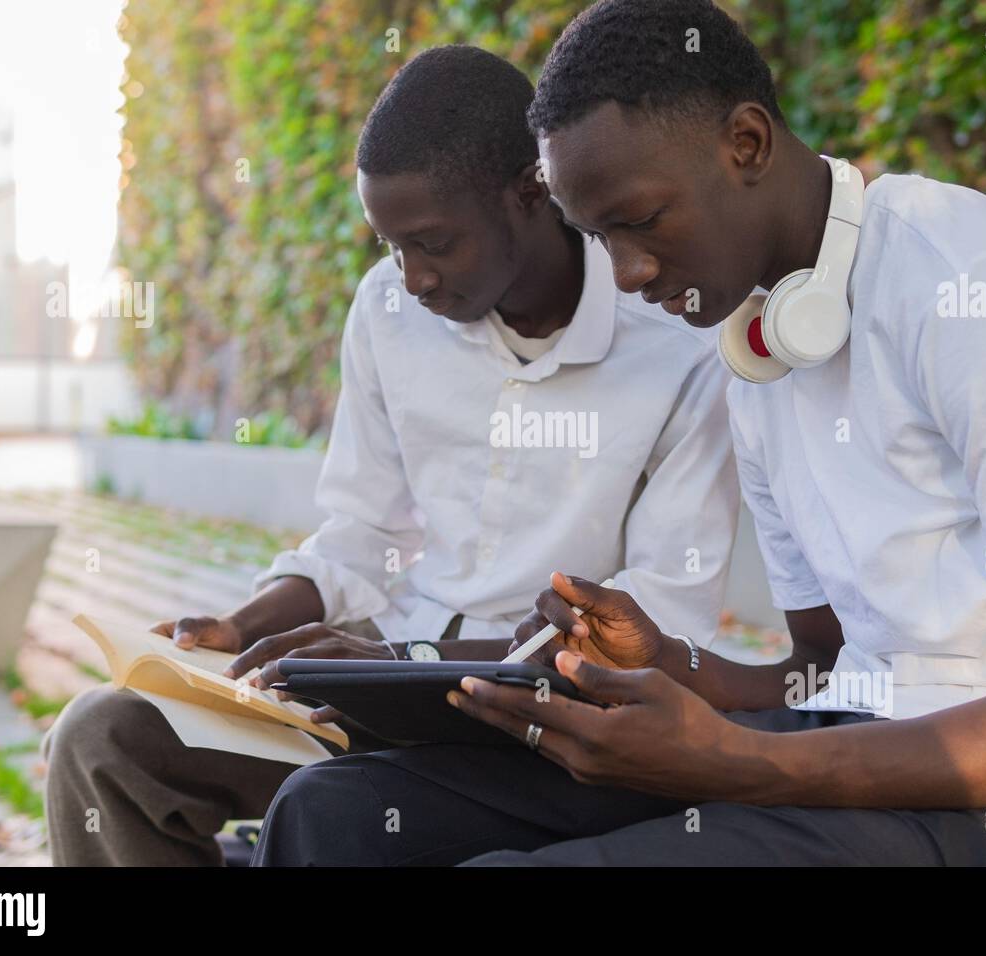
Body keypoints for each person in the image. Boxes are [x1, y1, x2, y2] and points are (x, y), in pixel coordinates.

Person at [252, 0, 986, 867]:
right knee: (332, 816)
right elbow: (817, 673)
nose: (622, 272)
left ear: (745, 142)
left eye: (639, 221)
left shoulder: (976, 297)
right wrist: (667, 664)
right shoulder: (757, 344)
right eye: (596, 235)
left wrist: (732, 767)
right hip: (863, 746)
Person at [41, 43, 739, 866]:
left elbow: (658, 618)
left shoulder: (675, 348)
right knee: (100, 738)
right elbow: (361, 532)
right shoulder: (387, 313)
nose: (411, 278)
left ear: (531, 191)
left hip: (537, 721)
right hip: (375, 677)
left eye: (434, 243)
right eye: (390, 246)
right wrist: (241, 624)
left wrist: (408, 664)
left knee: (333, 811)